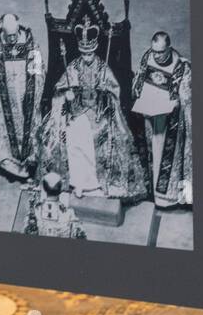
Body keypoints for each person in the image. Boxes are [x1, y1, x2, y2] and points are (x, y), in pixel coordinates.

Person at [37, 17, 148, 202]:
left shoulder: (103, 67)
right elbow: (59, 88)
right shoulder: (73, 66)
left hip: (100, 112)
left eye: (90, 54)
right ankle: (77, 182)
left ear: (95, 50)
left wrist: (106, 91)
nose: (87, 58)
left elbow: (116, 90)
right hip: (77, 111)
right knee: (72, 136)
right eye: (84, 54)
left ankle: (100, 184)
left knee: (105, 135)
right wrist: (66, 94)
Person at [131, 31, 193, 209]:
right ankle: (150, 192)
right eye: (154, 51)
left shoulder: (181, 66)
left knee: (164, 156)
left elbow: (186, 98)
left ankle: (166, 199)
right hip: (149, 116)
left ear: (169, 48)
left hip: (169, 121)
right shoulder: (147, 56)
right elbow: (139, 81)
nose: (156, 55)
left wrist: (175, 103)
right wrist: (139, 93)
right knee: (150, 152)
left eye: (160, 52)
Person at [0, 13, 43, 180]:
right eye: (9, 36)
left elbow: (38, 72)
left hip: (25, 96)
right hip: (3, 97)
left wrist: (34, 91)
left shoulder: (31, 44)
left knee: (27, 123)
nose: (13, 39)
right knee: (1, 123)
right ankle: (5, 159)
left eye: (15, 35)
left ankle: (29, 160)